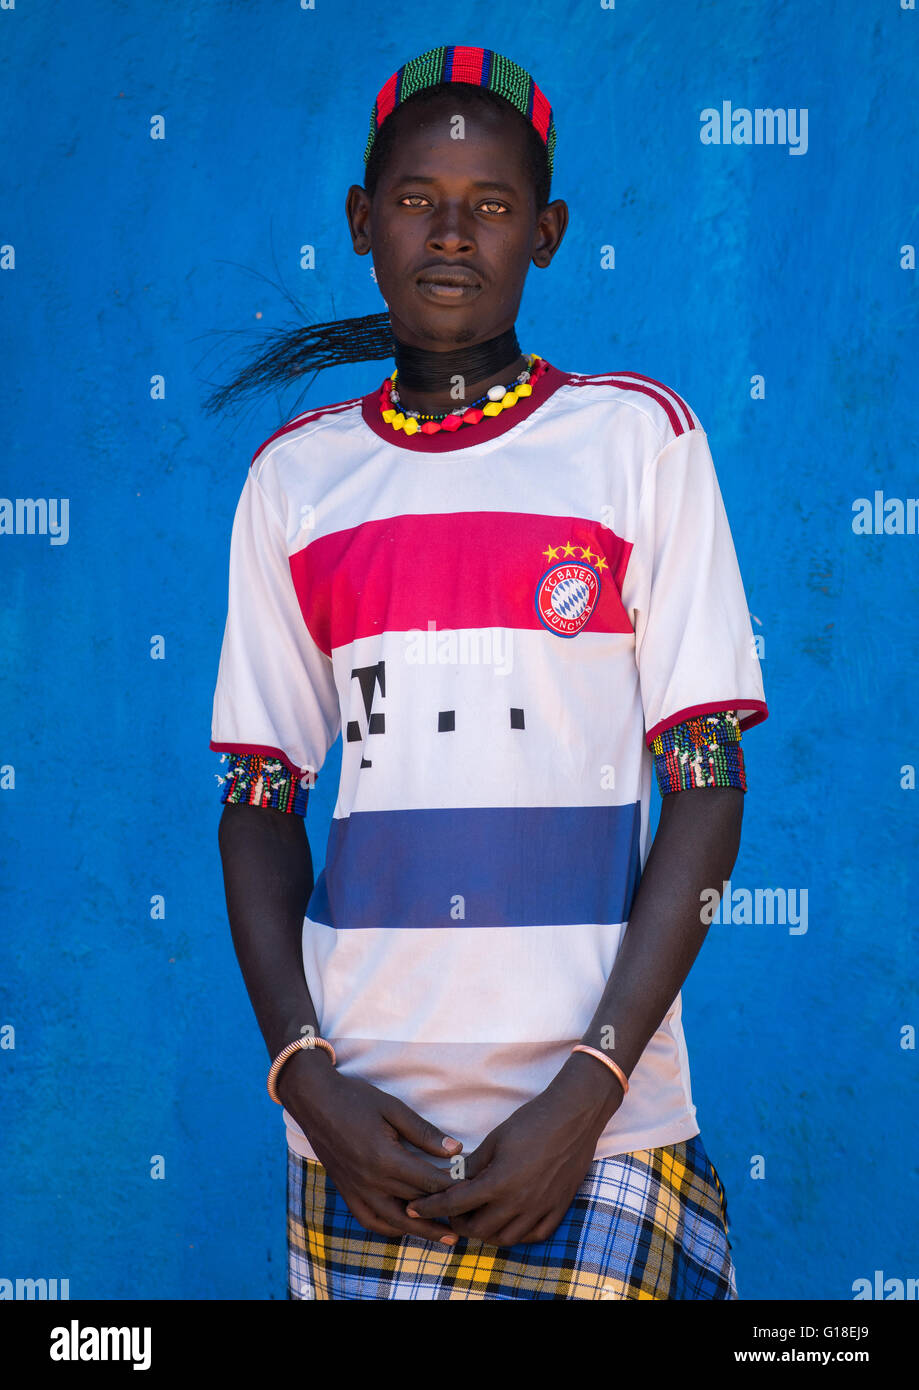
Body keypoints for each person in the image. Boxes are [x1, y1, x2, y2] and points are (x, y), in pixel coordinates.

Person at [206, 44, 769, 1301]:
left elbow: (708, 783)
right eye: (415, 199)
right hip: (364, 1137)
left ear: (548, 233)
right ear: (363, 222)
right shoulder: (294, 484)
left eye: (492, 205)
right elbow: (256, 805)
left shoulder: (638, 445)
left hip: (597, 1128)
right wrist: (305, 1075)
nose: (451, 233)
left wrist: (591, 1087)